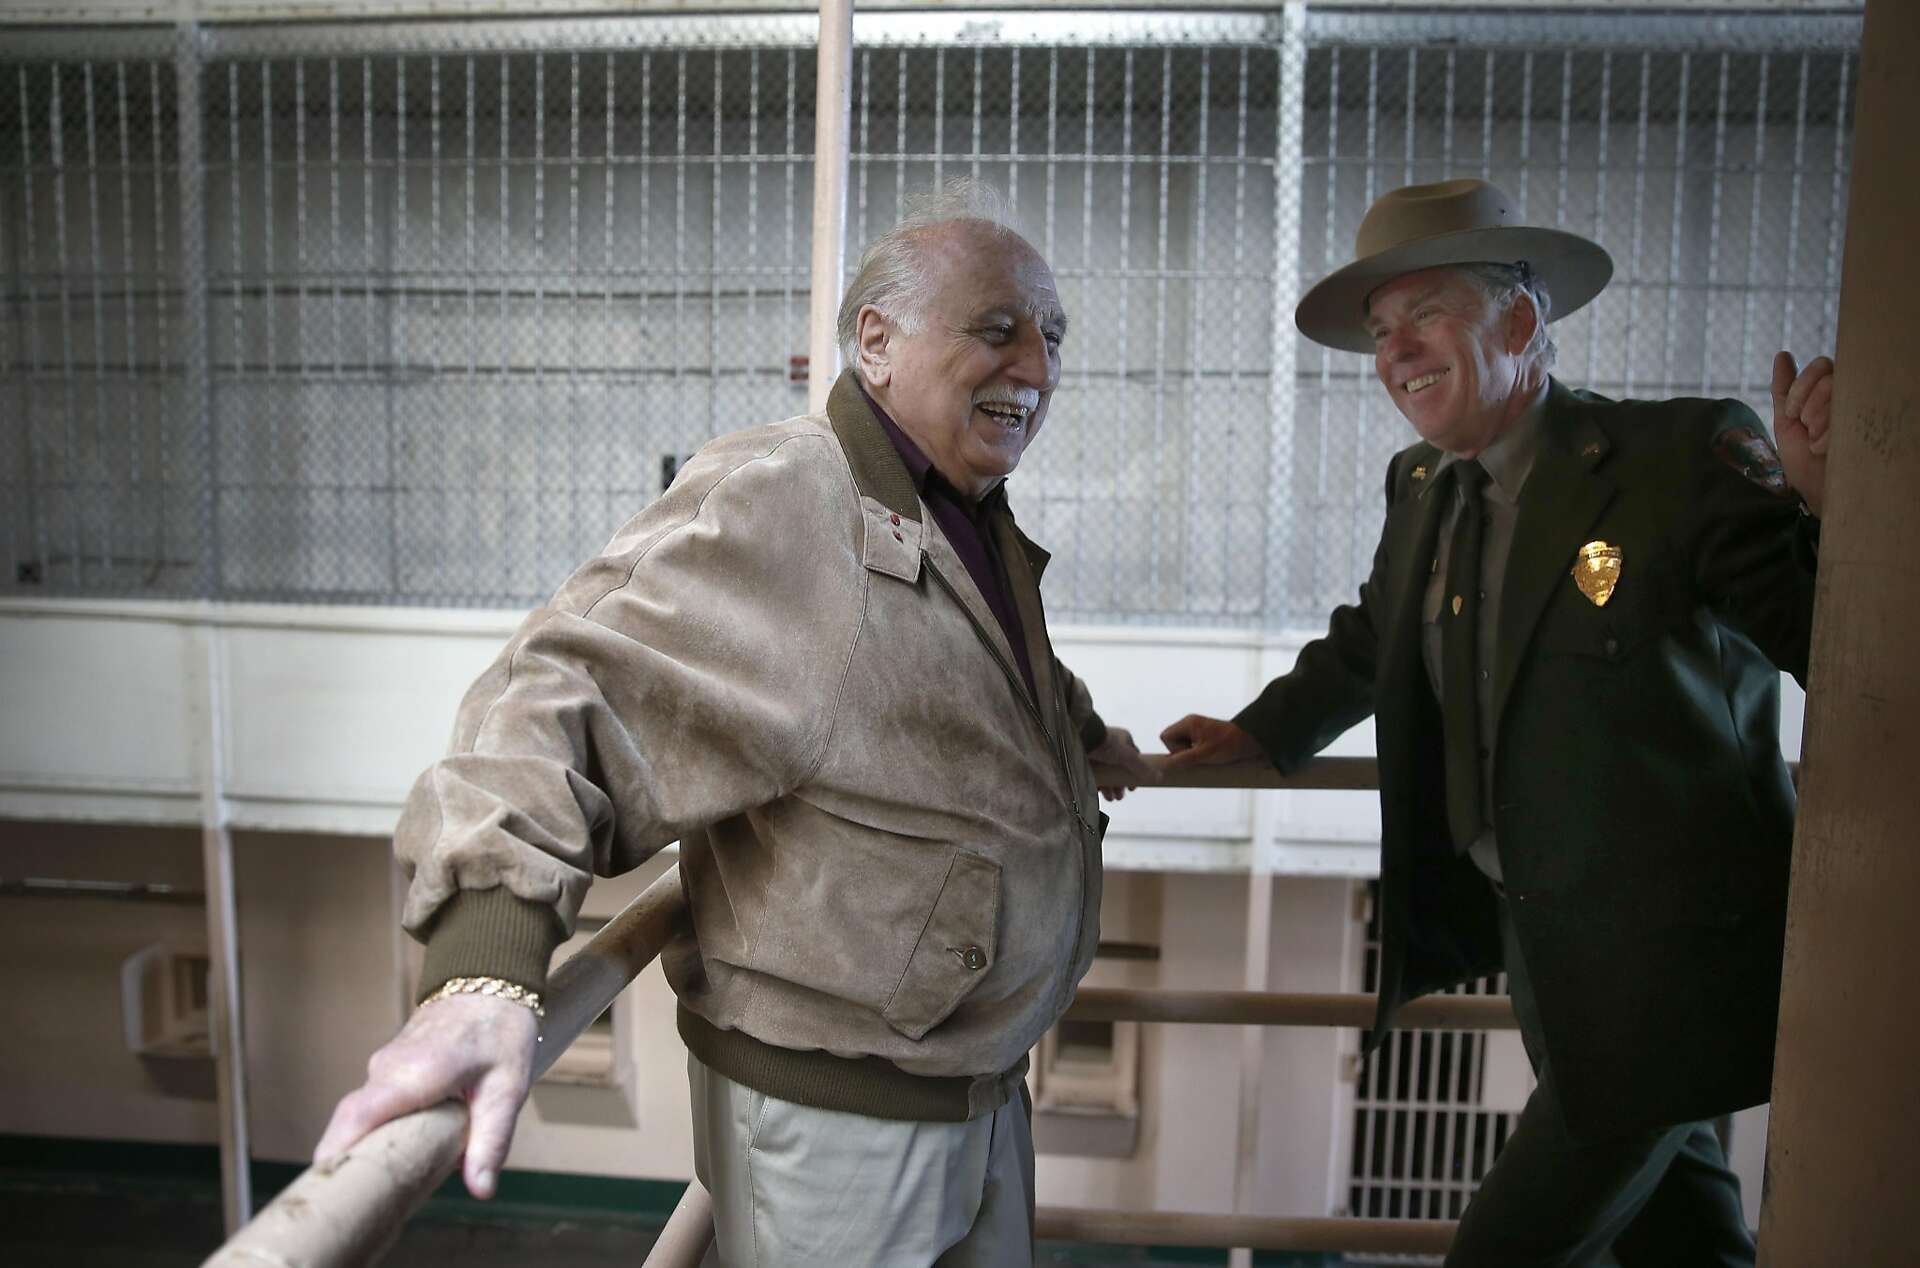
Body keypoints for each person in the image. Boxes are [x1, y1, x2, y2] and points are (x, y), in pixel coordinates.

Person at [314, 185, 1155, 1267]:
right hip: (845, 1122)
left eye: (1052, 336)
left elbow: (960, 669)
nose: (1037, 367)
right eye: (997, 329)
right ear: (877, 343)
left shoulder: (957, 510)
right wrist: (484, 972)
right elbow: (560, 695)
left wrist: (1078, 730)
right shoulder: (793, 498)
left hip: (977, 1086)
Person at [1160, 178, 1832, 1267]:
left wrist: (1834, 511)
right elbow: (1375, 637)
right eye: (1381, 330)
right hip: (1547, 949)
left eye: (1425, 315)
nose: (1395, 352)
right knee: (1686, 1243)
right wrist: (1262, 732)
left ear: (1519, 322)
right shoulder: (1423, 481)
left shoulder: (1676, 457)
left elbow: (1829, 644)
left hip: (1672, 966)